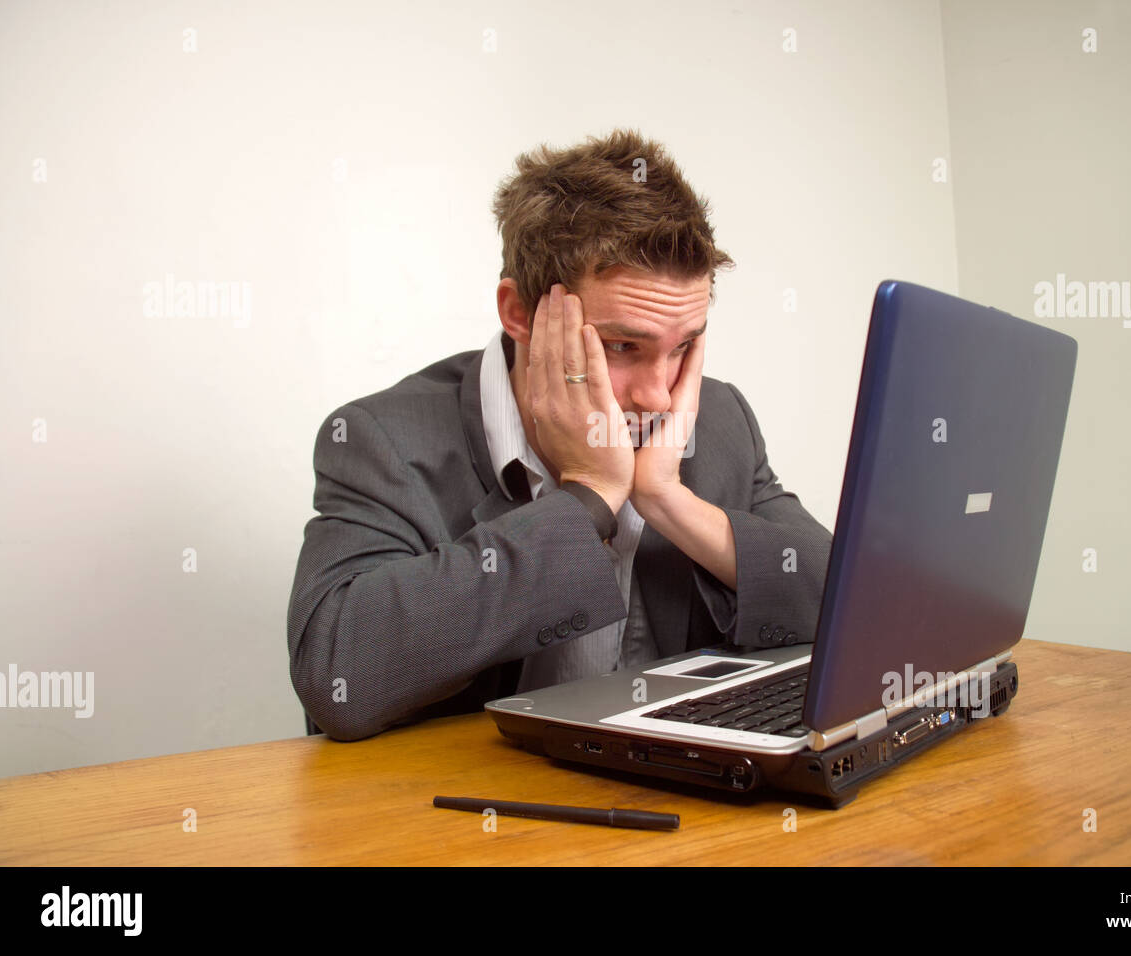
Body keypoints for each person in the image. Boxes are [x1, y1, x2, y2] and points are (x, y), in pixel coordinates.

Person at [286, 128, 833, 741]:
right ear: (519, 313)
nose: (658, 394)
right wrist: (590, 496)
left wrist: (668, 500)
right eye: (622, 345)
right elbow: (337, 675)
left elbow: (853, 605)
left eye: (682, 347)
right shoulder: (382, 439)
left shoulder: (718, 418)